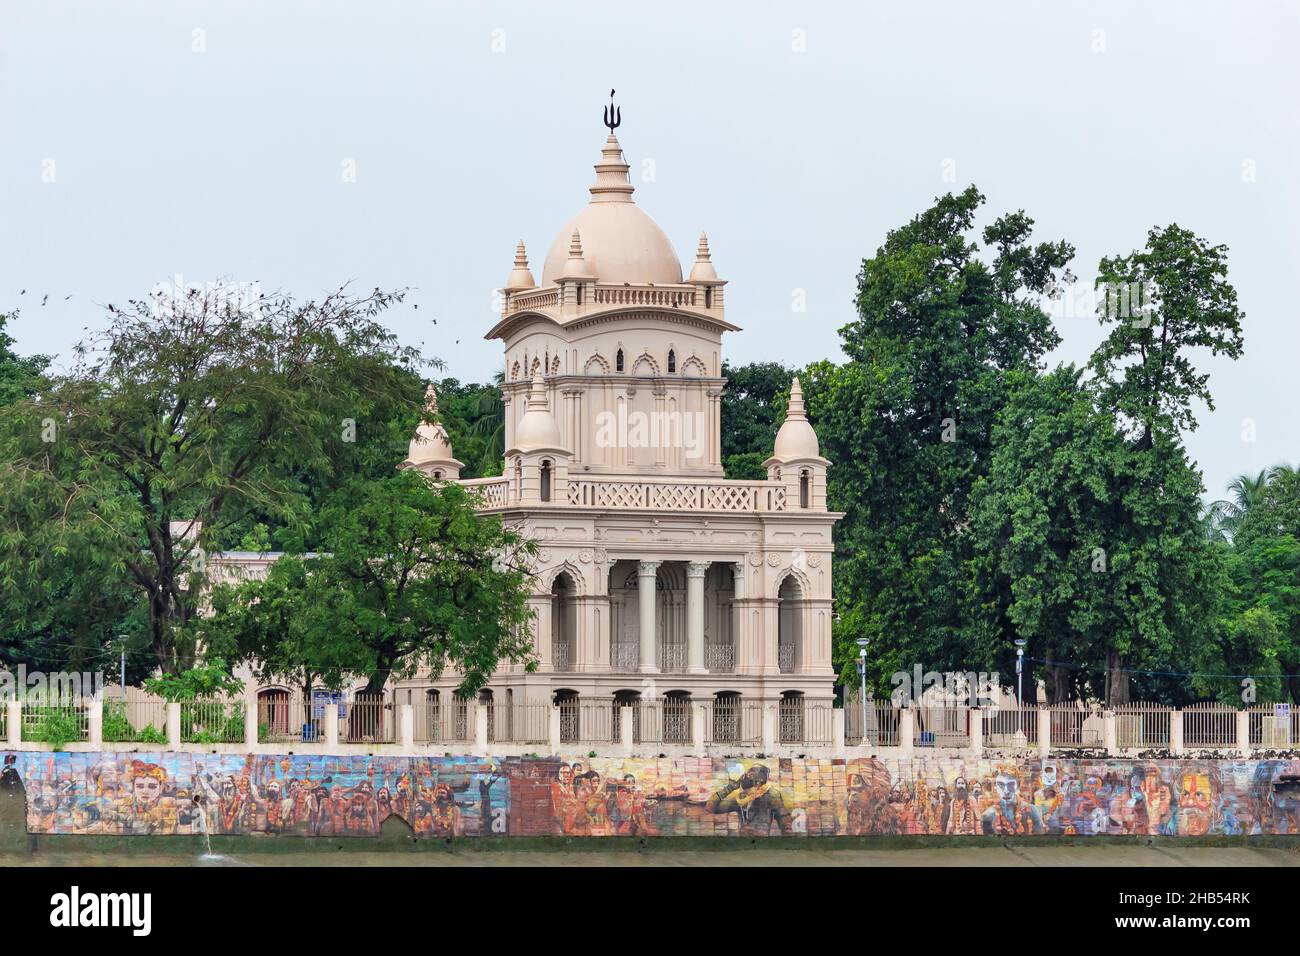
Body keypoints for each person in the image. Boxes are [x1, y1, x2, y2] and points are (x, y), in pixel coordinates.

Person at [705, 764, 793, 836]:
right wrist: (730, 788)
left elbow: (785, 822)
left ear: (759, 781)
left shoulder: (771, 795)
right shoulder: (741, 797)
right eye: (748, 772)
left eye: (751, 772)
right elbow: (710, 808)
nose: (746, 775)